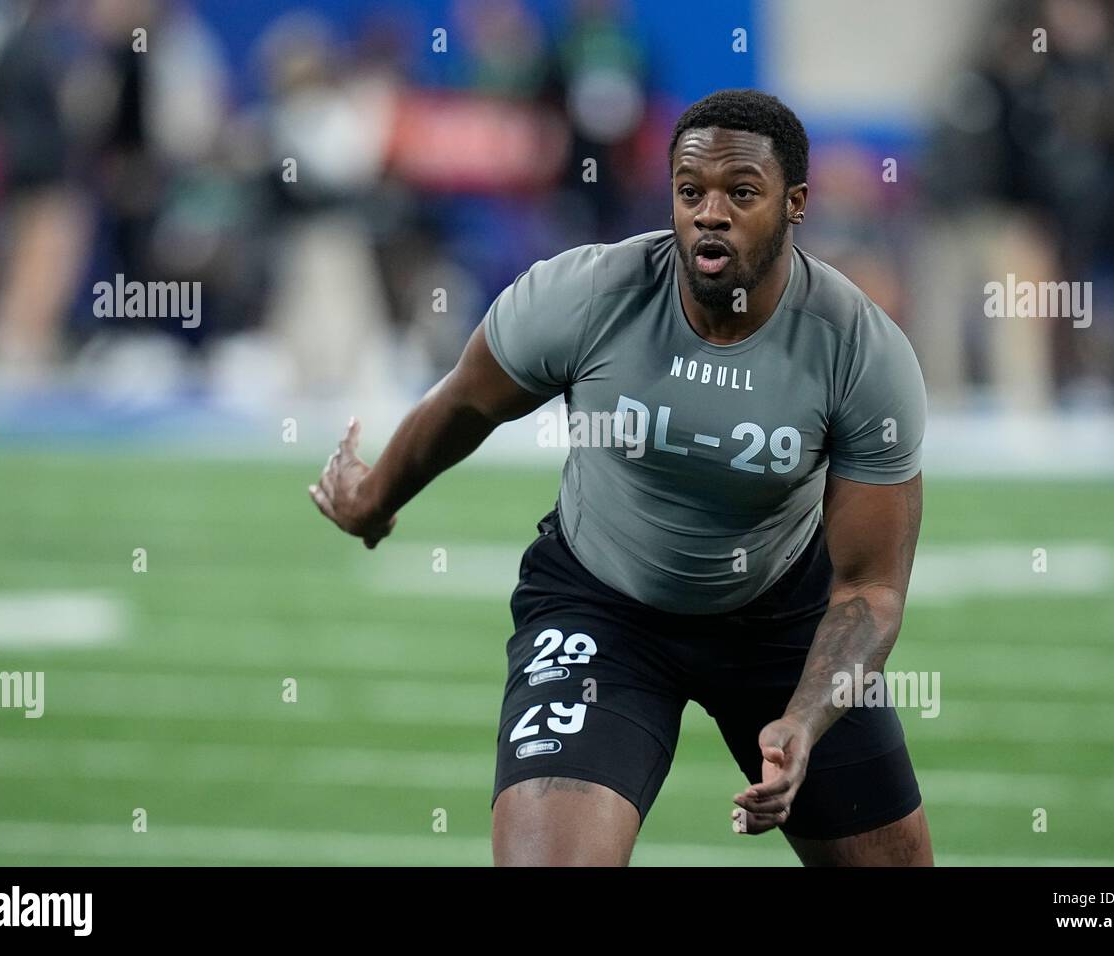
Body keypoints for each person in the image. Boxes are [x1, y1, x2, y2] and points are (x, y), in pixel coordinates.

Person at [309, 88, 932, 866]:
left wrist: (804, 720)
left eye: (741, 193)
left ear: (795, 203)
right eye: (690, 191)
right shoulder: (587, 295)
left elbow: (870, 589)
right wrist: (372, 501)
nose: (710, 213)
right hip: (602, 608)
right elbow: (466, 402)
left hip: (782, 623)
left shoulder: (860, 351)